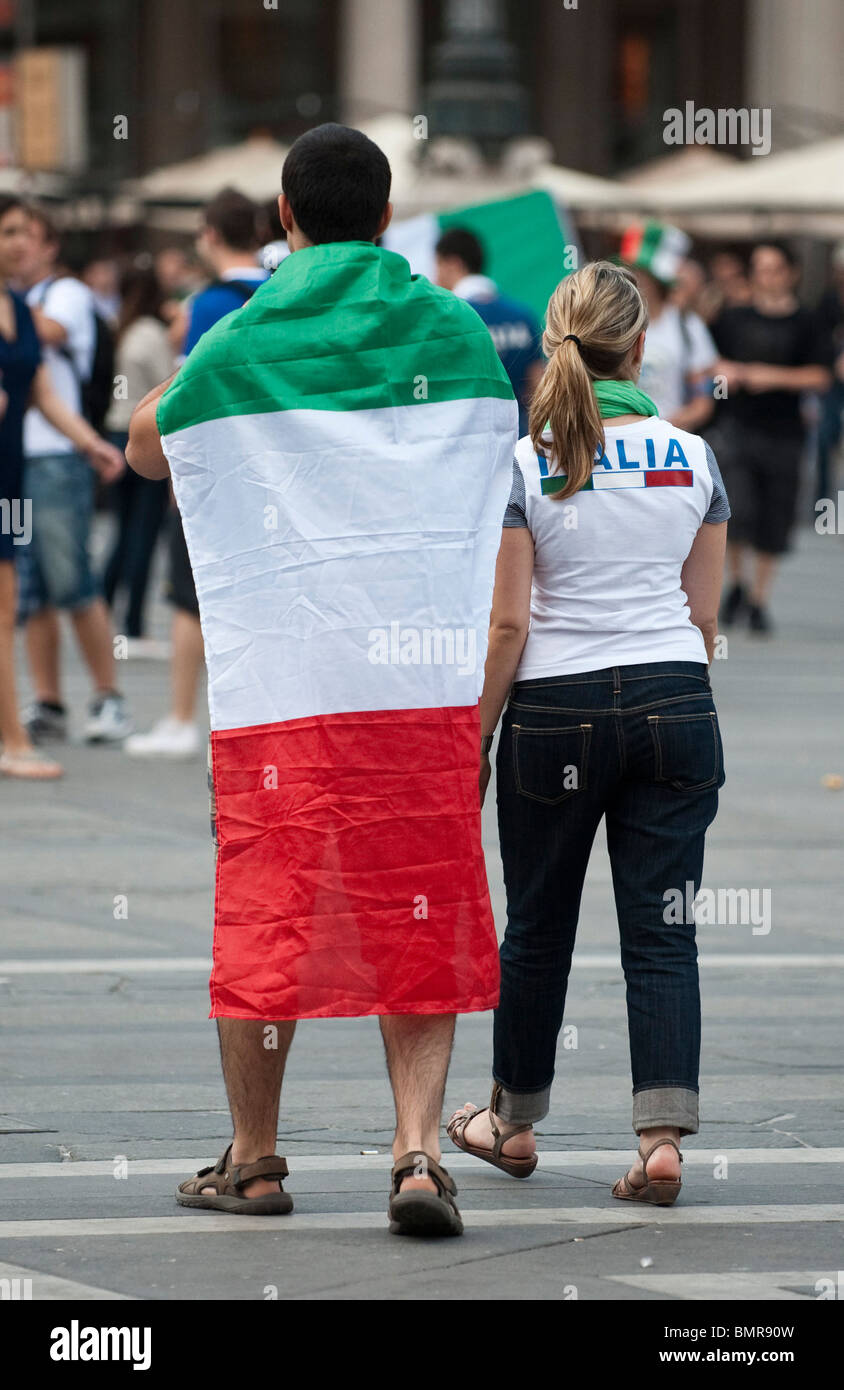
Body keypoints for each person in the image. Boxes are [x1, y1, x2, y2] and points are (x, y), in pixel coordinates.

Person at [127, 123, 517, 1237]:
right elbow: (493, 445)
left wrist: (220, 350)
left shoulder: (250, 334)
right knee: (419, 904)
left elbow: (150, 450)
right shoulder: (453, 327)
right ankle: (415, 1155)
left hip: (283, 693)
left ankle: (254, 1159)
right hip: (416, 687)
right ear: (388, 220)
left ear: (285, 221)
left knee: (268, 909)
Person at [447, 261, 729, 1207]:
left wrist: (478, 740)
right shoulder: (693, 457)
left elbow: (508, 626)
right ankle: (661, 1140)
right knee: (664, 934)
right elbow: (704, 615)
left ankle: (513, 1122)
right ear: (641, 346)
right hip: (676, 701)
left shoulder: (528, 464)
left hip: (556, 712)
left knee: (537, 930)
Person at [126, 190, 268, 759]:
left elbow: (188, 399)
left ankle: (184, 718)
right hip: (270, 473)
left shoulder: (209, 303)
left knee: (190, 598)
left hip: (214, 472)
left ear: (210, 235)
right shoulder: (278, 290)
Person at [0, 196, 121, 778]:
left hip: (45, 463)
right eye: (8, 232)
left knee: (68, 582)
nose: (18, 243)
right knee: (30, 594)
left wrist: (87, 443)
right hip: (19, 465)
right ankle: (40, 710)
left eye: (26, 232)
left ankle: (105, 697)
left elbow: (43, 374)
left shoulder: (53, 297)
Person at [710, 242, 833, 632]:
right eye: (761, 268)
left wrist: (770, 376)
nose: (768, 276)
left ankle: (760, 598)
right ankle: (737, 583)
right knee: (736, 509)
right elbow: (708, 366)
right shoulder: (732, 319)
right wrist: (724, 377)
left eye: (775, 268)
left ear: (791, 272)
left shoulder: (807, 322)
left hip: (785, 432)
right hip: (738, 428)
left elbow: (822, 376)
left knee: (774, 515)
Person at [101, 266, 174, 648]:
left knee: (122, 532)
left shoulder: (122, 328)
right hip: (140, 435)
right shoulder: (150, 333)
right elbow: (168, 384)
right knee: (143, 534)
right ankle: (132, 623)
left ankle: (102, 606)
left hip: (114, 431)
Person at [435, 227, 544, 436]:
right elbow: (538, 390)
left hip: (467, 445)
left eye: (437, 265)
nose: (436, 277)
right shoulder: (522, 315)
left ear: (452, 264)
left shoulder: (448, 318)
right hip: (517, 442)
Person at [621, 222, 717, 430]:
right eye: (630, 271)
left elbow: (702, 401)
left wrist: (666, 427)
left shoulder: (688, 326)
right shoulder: (613, 325)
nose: (633, 280)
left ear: (658, 280)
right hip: (622, 444)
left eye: (640, 273)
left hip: (670, 444)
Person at [814, 240, 844, 502]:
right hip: (833, 383)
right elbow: (820, 339)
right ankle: (822, 498)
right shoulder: (830, 300)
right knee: (825, 438)